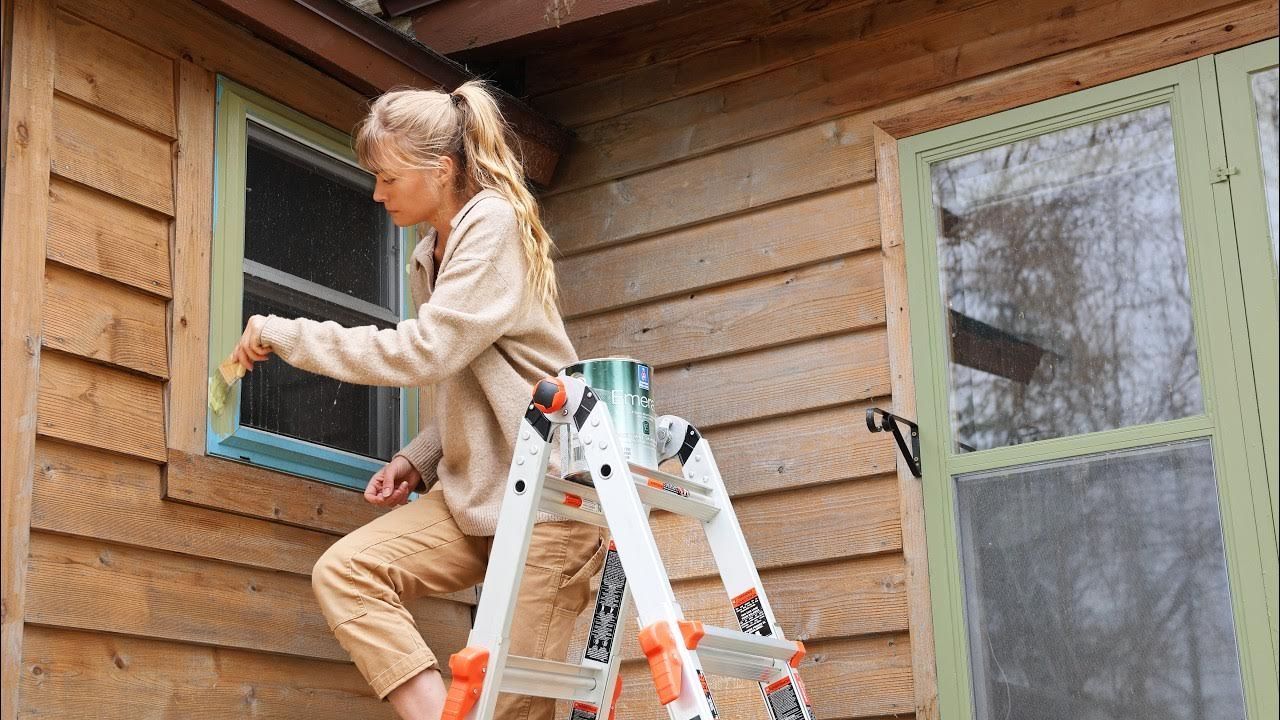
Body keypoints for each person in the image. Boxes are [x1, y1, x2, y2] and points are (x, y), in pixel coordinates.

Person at [232, 80, 607, 720]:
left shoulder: (493, 225)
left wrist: (283, 333)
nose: (376, 193)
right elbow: (465, 371)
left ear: (441, 169)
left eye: (387, 177)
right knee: (349, 573)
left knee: (516, 708)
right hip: (476, 497)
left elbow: (424, 351)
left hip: (549, 501)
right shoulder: (426, 254)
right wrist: (421, 455)